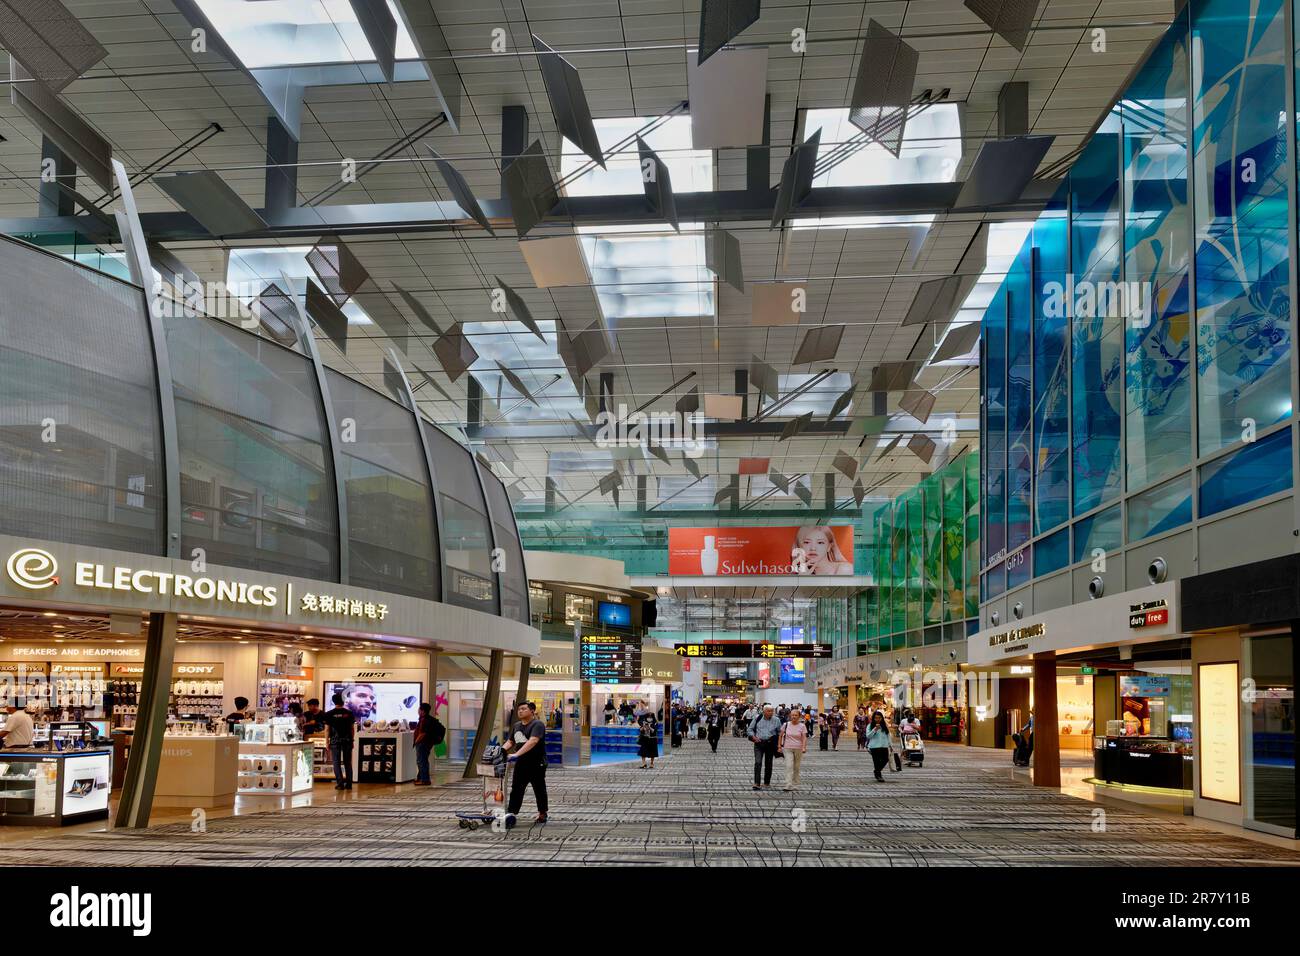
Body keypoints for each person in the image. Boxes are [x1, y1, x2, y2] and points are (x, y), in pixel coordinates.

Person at [501, 700, 548, 827]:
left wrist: (516, 754)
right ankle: (511, 814)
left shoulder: (537, 724)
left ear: (532, 711)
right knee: (516, 789)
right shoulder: (516, 725)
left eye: (523, 709)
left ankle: (542, 813)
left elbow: (533, 741)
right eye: (519, 709)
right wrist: (501, 751)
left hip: (536, 763)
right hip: (521, 764)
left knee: (539, 789)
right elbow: (510, 742)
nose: (520, 711)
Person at [322, 692, 356, 790]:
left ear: (333, 702)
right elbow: (352, 729)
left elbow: (327, 730)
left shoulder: (329, 714)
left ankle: (340, 783)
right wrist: (352, 740)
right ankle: (349, 784)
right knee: (347, 762)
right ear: (343, 701)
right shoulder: (349, 713)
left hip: (335, 741)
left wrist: (327, 742)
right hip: (347, 740)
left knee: (336, 762)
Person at [748, 703, 782, 791]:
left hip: (770, 744)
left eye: (772, 711)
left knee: (769, 763)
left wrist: (779, 745)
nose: (770, 713)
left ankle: (767, 782)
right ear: (764, 711)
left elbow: (780, 732)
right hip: (759, 743)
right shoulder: (757, 718)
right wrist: (753, 737)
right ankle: (757, 783)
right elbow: (749, 729)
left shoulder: (776, 720)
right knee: (758, 762)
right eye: (768, 711)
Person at [413, 701, 443, 785]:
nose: (418, 711)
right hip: (425, 743)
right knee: (422, 761)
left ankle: (425, 780)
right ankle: (421, 778)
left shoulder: (425, 720)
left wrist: (416, 741)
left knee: (422, 761)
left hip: (423, 743)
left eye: (419, 709)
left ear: (422, 711)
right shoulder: (427, 719)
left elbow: (423, 733)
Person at [779, 709, 809, 791]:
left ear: (799, 716)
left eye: (796, 715)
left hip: (798, 748)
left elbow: (804, 737)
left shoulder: (802, 726)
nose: (794, 717)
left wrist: (804, 747)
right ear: (790, 716)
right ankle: (788, 784)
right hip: (787, 748)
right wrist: (779, 746)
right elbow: (780, 735)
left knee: (796, 767)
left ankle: (795, 784)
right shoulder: (786, 725)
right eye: (792, 715)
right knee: (789, 766)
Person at [866, 710, 892, 782]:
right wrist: (875, 729)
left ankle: (876, 771)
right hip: (874, 747)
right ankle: (878, 775)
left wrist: (890, 745)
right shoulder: (870, 726)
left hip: (884, 746)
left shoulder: (884, 725)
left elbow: (888, 736)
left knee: (885, 759)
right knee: (876, 762)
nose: (878, 719)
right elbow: (868, 736)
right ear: (873, 718)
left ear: (882, 718)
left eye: (879, 718)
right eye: (876, 718)